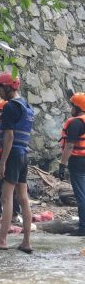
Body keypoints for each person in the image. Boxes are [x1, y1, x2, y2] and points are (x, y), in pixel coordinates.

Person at [0, 72, 34, 253]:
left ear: (8, 87)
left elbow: (9, 136)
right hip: (23, 155)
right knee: (23, 198)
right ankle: (26, 242)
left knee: (6, 197)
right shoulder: (27, 106)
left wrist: (2, 163)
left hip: (13, 155)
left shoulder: (10, 107)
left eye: (0, 89)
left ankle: (2, 240)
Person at [57, 92, 85, 236]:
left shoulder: (76, 123)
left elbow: (69, 146)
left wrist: (62, 165)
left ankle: (83, 228)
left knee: (81, 195)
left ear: (78, 107)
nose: (71, 108)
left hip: (78, 162)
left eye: (72, 105)